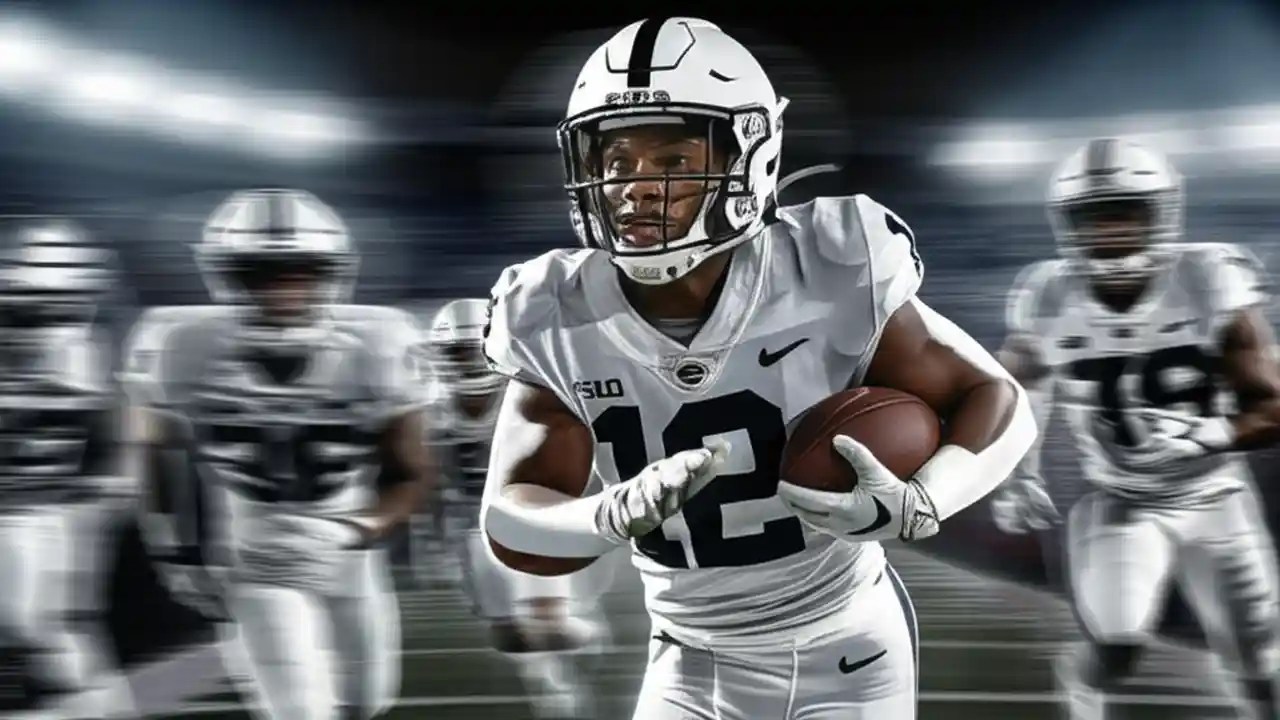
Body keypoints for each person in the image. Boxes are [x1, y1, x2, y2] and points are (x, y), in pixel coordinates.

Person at [480, 17, 1037, 719]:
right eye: (617, 161)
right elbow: (509, 521)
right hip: (691, 658)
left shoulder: (829, 266)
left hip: (850, 649)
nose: (637, 188)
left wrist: (926, 497)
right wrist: (606, 513)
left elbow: (995, 396)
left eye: (674, 161)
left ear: (752, 154)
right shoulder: (549, 310)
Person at [991, 138, 1280, 720]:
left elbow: (1271, 405)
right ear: (1067, 225)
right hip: (1122, 500)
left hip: (1217, 496)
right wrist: (1015, 474)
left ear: (1163, 214)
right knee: (1117, 641)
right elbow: (1017, 388)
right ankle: (1084, 688)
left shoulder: (1207, 279)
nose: (1112, 232)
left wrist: (1206, 436)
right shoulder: (1049, 292)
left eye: (1127, 213)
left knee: (1260, 664)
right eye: (1094, 218)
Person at [122, 189, 431, 720]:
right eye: (260, 273)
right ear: (224, 276)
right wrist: (175, 553)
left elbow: (411, 473)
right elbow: (155, 459)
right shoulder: (178, 345)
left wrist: (351, 530)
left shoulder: (379, 341)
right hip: (255, 556)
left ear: (334, 273)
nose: (283, 290)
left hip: (349, 553)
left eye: (302, 271)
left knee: (366, 703)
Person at [425, 298, 606, 719]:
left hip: (529, 513)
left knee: (543, 617)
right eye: (459, 353)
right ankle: (555, 673)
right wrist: (435, 540)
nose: (470, 364)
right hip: (470, 526)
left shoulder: (530, 396)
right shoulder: (430, 411)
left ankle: (558, 691)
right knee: (511, 630)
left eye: (478, 352)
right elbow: (430, 480)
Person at [0, 220, 134, 718]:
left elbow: (112, 442)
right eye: (33, 305)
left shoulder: (90, 356)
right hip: (28, 508)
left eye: (64, 305)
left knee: (48, 628)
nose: (47, 320)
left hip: (53, 509)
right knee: (41, 630)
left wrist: (100, 503)